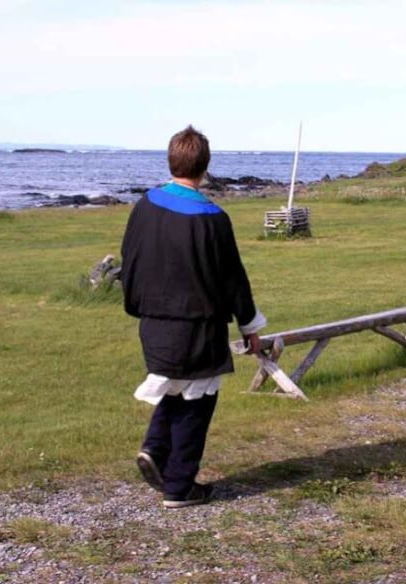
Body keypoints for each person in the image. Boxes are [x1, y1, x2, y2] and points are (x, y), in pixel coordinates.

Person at [119, 126, 266, 508]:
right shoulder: (212, 218)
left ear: (171, 160)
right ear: (205, 166)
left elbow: (129, 259)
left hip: (154, 322)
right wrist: (250, 326)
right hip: (198, 326)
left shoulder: (145, 205)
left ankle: (155, 448)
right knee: (197, 402)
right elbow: (233, 280)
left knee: (176, 386)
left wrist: (136, 304)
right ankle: (179, 485)